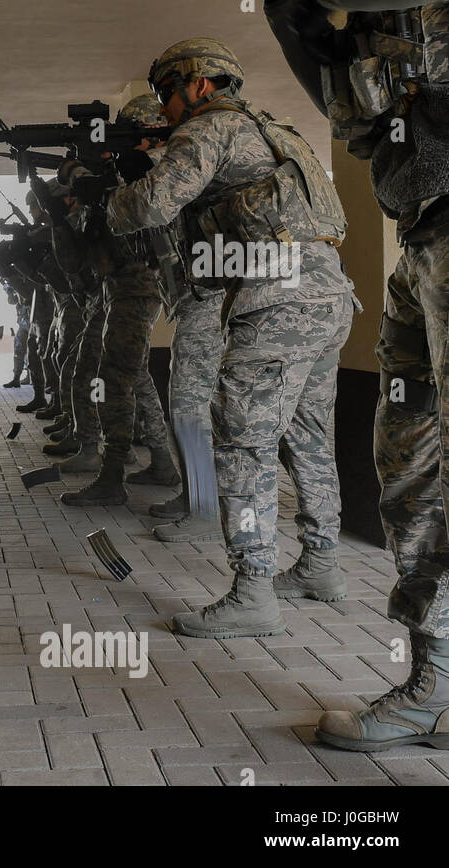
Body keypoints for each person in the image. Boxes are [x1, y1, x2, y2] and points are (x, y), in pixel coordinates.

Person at [79, 37, 355, 638]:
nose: (165, 110)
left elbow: (148, 207)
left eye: (167, 95)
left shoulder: (209, 129)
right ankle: (321, 566)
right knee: (310, 438)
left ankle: (253, 591)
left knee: (242, 446)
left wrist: (110, 199)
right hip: (327, 292)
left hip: (277, 300)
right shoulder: (277, 132)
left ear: (199, 85)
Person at [266, 0, 449, 750]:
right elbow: (361, 125)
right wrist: (314, 42)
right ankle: (434, 684)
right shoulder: (391, 26)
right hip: (424, 237)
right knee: (410, 465)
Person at [58, 95, 179, 504]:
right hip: (119, 286)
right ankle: (162, 464)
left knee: (114, 378)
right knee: (134, 376)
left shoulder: (156, 169)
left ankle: (112, 476)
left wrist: (98, 180)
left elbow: (144, 210)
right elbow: (83, 254)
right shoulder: (124, 174)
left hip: (139, 284)